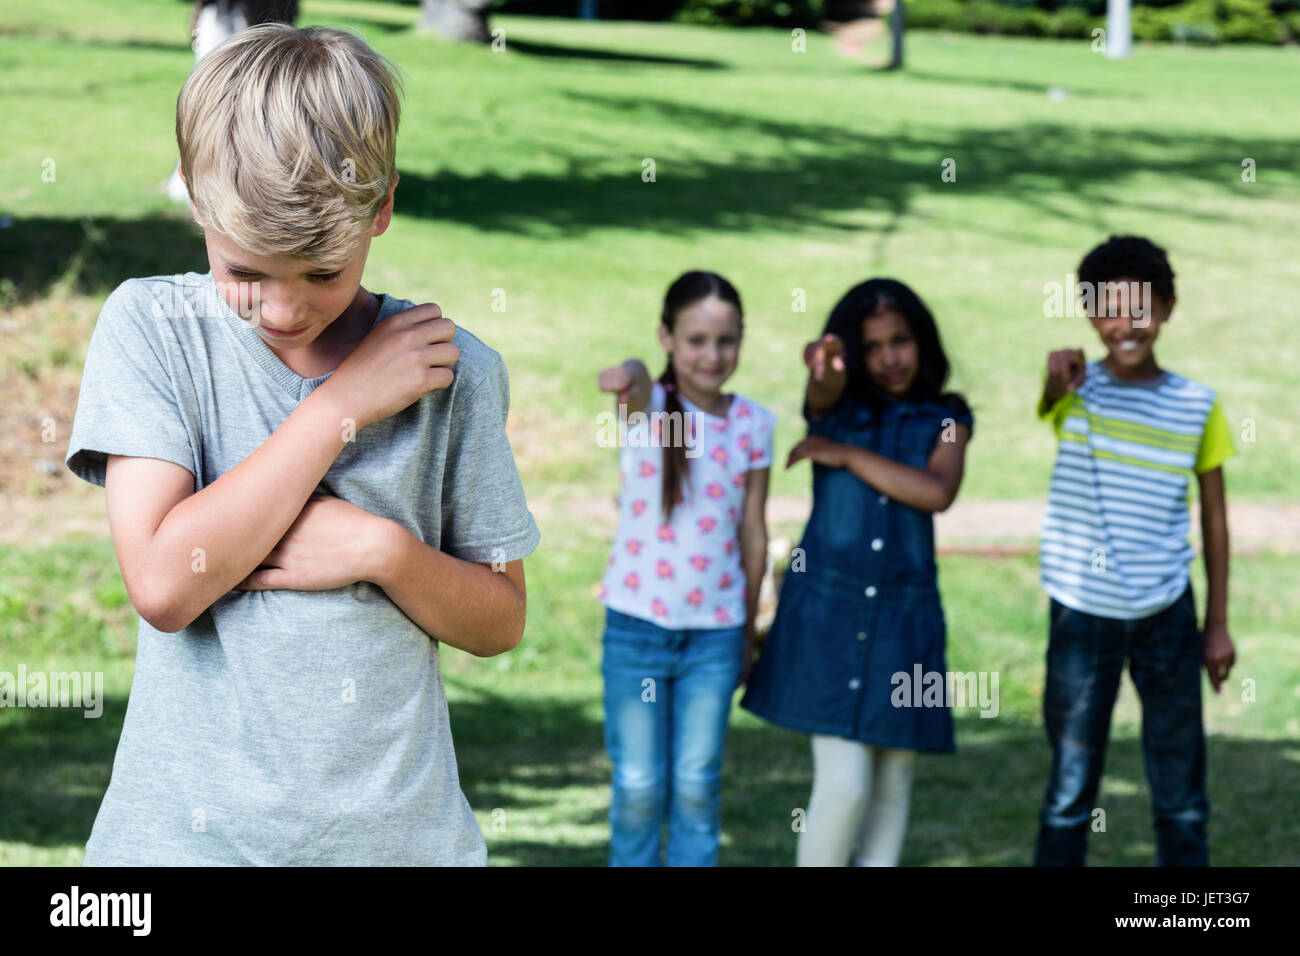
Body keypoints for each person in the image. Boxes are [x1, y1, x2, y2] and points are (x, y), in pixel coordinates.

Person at [65, 24, 540, 865]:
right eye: (246, 272)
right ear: (198, 207)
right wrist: (340, 409)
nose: (284, 311)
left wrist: (383, 551)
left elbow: (500, 619)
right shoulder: (151, 329)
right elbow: (168, 583)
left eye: (323, 271)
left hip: (398, 846)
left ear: (382, 207)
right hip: (180, 847)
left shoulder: (452, 372)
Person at [741, 278, 973, 867]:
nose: (889, 357)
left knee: (893, 784)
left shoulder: (948, 417)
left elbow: (937, 490)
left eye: (900, 341)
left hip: (905, 621)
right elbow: (824, 389)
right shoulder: (835, 410)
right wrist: (823, 369)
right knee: (845, 784)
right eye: (871, 347)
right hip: (828, 617)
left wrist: (845, 456)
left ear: (922, 340)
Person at [1033, 235, 1235, 867]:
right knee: (1071, 784)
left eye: (1141, 306)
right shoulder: (1077, 389)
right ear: (1091, 314)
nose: (1126, 324)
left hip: (1167, 613)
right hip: (1081, 612)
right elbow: (1049, 403)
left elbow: (1215, 518)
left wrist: (1217, 625)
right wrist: (1055, 376)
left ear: (1168, 308)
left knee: (1179, 786)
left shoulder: (1198, 406)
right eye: (1109, 308)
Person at [594, 271, 775, 866]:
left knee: (697, 784)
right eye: (695, 340)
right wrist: (629, 372)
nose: (712, 355)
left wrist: (749, 628)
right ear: (667, 337)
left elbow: (753, 530)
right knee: (640, 785)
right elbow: (637, 379)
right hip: (636, 629)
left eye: (726, 341)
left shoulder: (753, 422)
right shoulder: (651, 409)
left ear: (742, 340)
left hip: (715, 635)